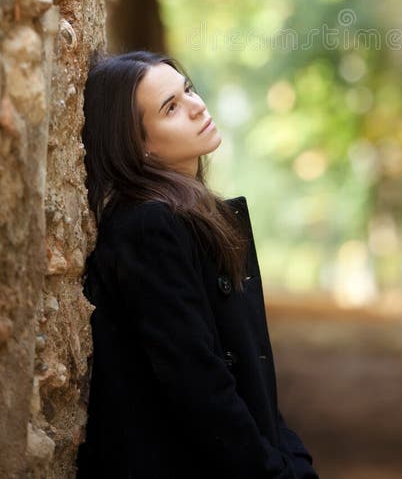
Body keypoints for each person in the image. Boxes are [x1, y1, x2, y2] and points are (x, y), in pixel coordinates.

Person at [77, 50, 319, 479]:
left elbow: (252, 370)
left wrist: (293, 455)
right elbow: (198, 384)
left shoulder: (194, 218)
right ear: (139, 145)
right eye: (171, 107)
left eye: (187, 89)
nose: (196, 106)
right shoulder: (147, 230)